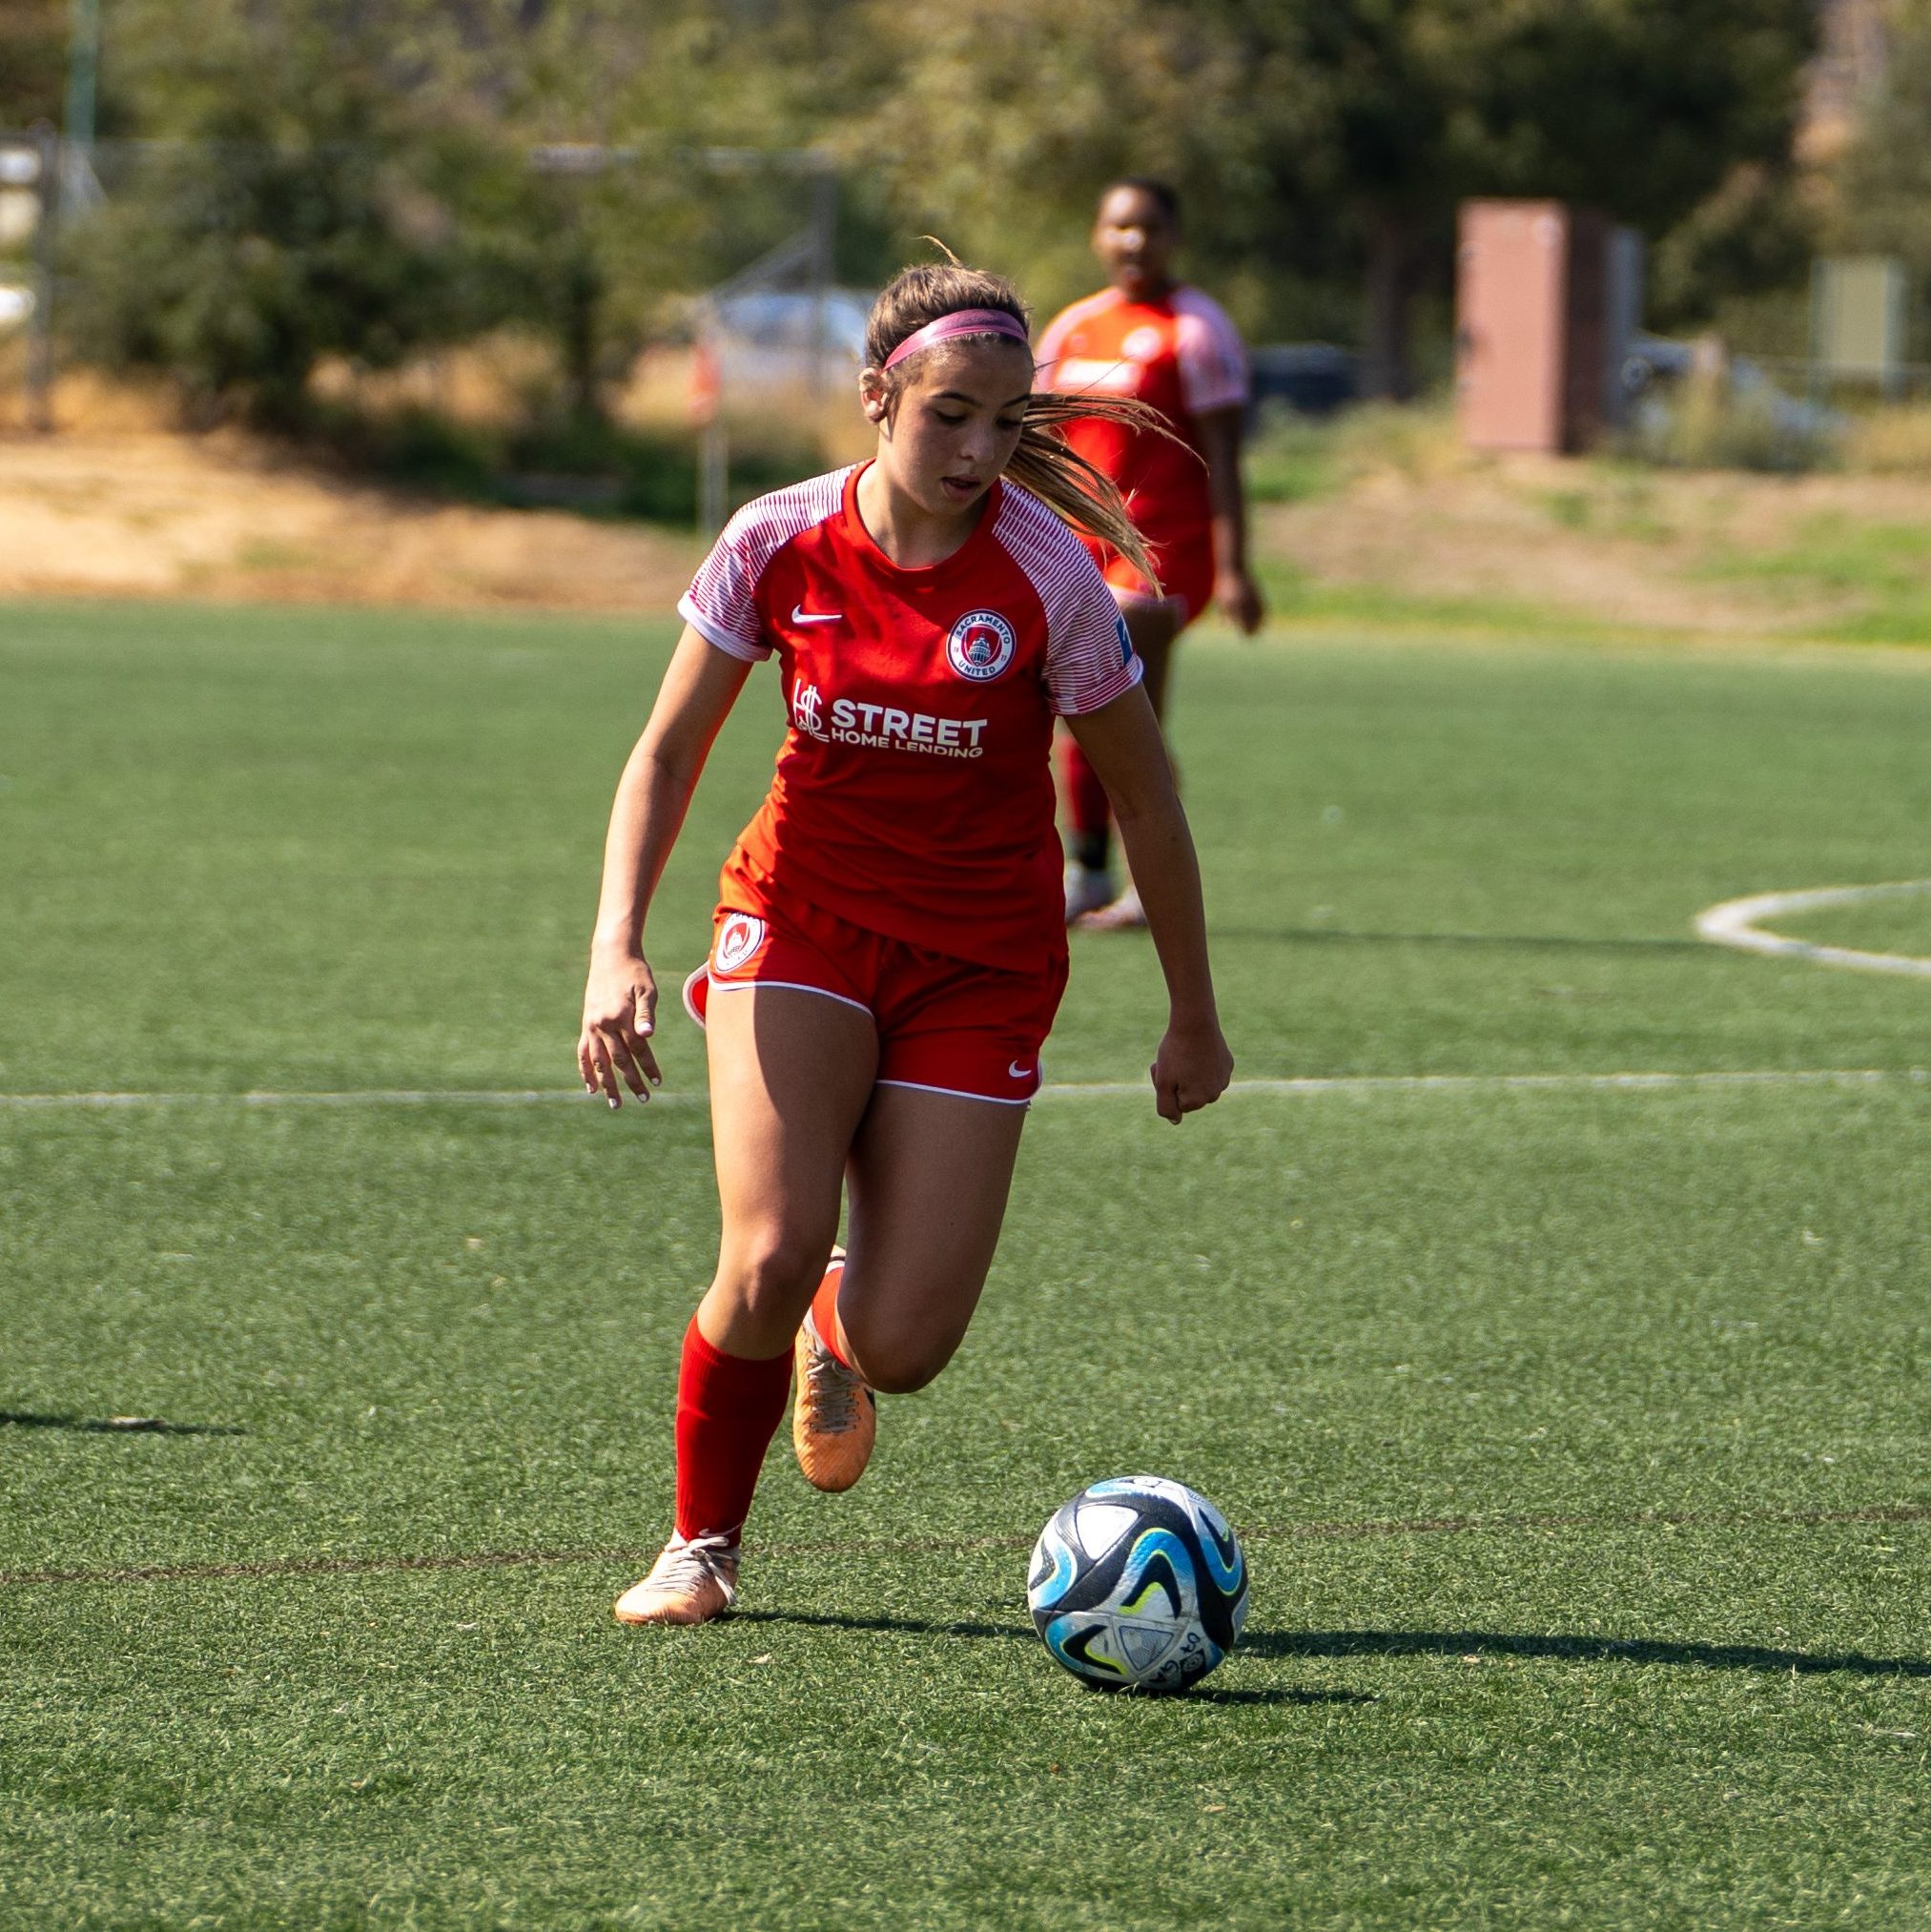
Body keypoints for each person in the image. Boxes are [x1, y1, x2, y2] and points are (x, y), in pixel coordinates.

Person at [578, 258, 1234, 1628]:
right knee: (762, 1250)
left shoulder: (1051, 580)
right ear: (880, 398)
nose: (980, 450)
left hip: (977, 961)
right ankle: (702, 1545)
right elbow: (666, 750)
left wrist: (1192, 1012)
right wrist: (615, 947)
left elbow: (1146, 797)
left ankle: (839, 1327)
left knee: (907, 1344)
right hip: (799, 919)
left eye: (1006, 421)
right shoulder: (778, 539)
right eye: (951, 416)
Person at [1037, 177, 1265, 929]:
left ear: (1174, 236)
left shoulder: (1195, 329)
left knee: (1126, 714)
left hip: (1162, 549)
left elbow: (1224, 455)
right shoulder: (1074, 328)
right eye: (1118, 227)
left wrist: (1234, 565)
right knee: (1078, 712)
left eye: (1148, 227)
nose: (1132, 241)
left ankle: (1145, 885)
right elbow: (1033, 444)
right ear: (1097, 236)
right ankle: (1089, 872)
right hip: (1078, 549)